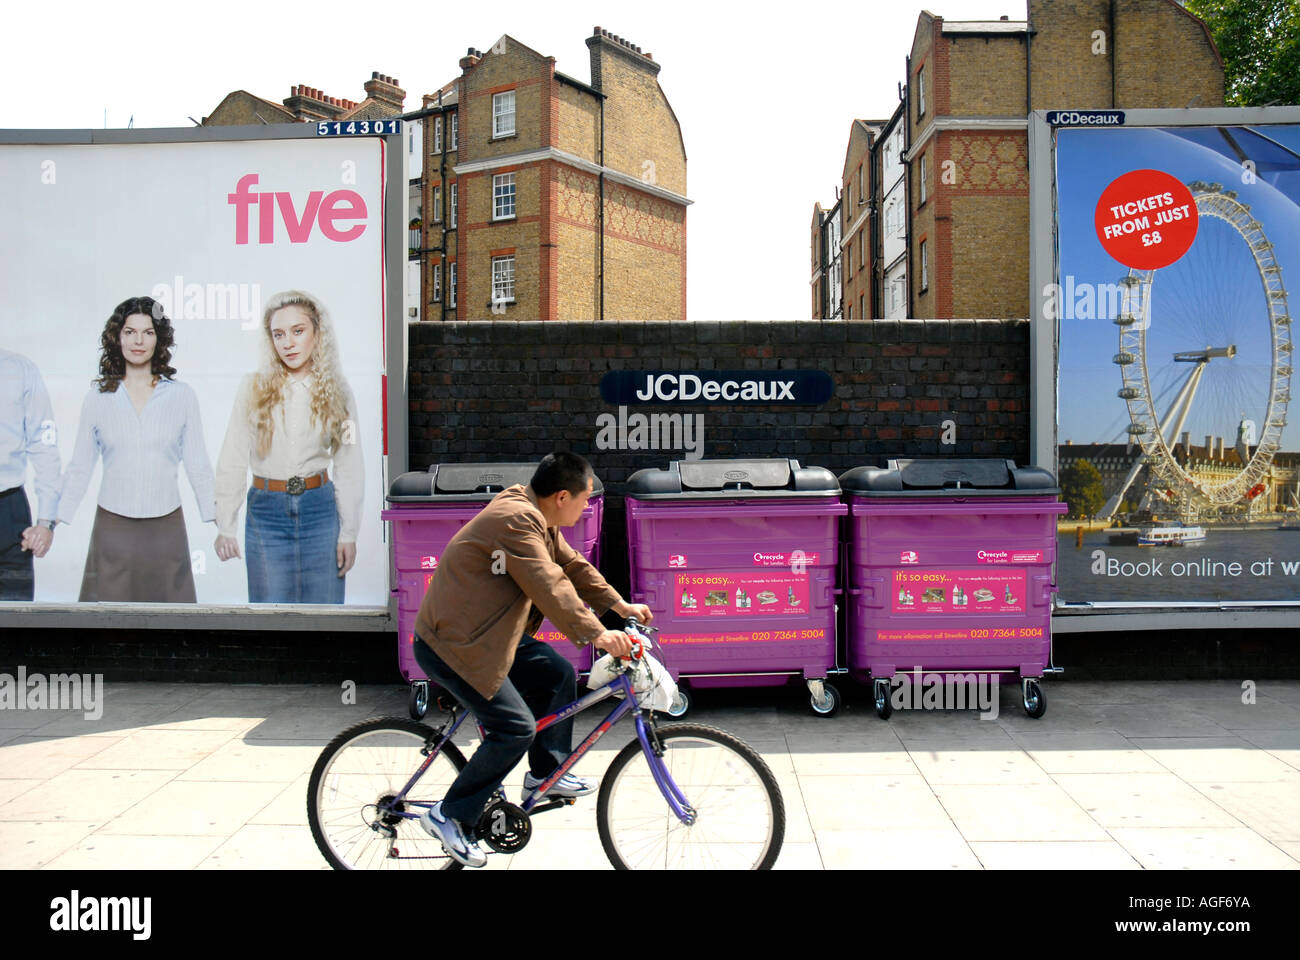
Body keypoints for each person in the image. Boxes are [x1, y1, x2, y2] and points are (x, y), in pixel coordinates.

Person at [410, 451, 652, 867]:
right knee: (515, 729)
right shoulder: (516, 521)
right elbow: (548, 583)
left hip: (490, 637)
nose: (585, 506)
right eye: (584, 499)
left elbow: (572, 566)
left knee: (557, 673)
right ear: (562, 496)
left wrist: (619, 605)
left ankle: (546, 772)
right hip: (454, 646)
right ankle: (448, 815)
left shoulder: (534, 515)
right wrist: (598, 634)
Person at [58, 297, 216, 602]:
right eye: (130, 332)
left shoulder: (181, 396)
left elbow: (198, 465)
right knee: (106, 626)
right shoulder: (98, 397)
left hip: (166, 526)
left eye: (147, 332)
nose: (138, 341)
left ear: (159, 339)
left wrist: (220, 521)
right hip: (112, 526)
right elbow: (80, 465)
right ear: (117, 338)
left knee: (171, 625)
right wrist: (52, 522)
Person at [213, 290, 363, 603]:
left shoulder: (340, 391)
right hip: (266, 513)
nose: (288, 343)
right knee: (270, 622)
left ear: (317, 333)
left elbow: (349, 461)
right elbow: (233, 454)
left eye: (298, 331)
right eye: (278, 334)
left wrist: (348, 532)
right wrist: (225, 522)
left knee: (326, 620)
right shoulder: (251, 387)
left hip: (320, 512)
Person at [0, 349, 62, 600]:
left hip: (8, 509)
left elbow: (44, 445)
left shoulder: (19, 369)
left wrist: (47, 522)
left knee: (15, 624)